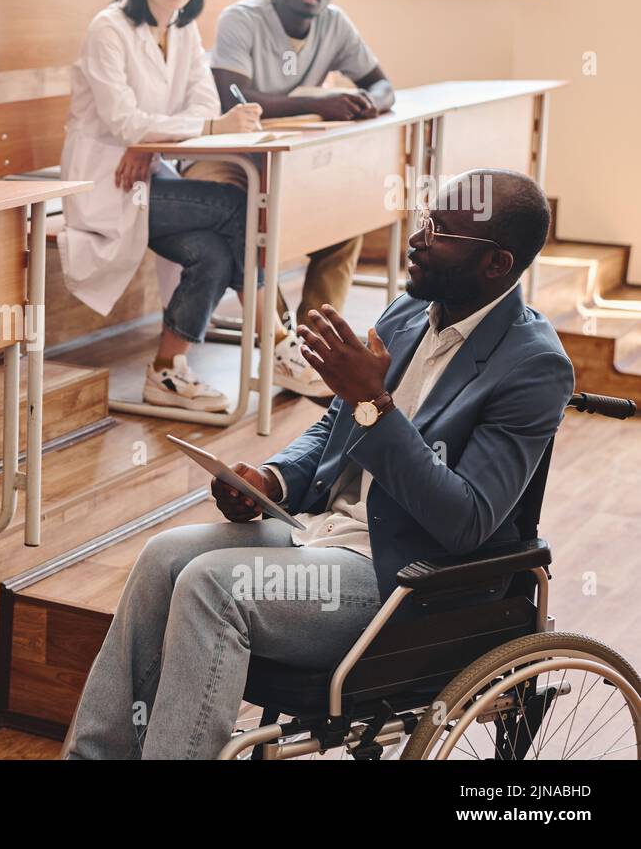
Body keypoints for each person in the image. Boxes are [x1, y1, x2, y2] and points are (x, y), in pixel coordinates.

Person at [62, 169, 574, 759]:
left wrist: (375, 407)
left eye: (441, 232)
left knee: (212, 586)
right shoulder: (408, 312)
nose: (416, 239)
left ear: (496, 264)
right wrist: (271, 479)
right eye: (424, 219)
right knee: (163, 557)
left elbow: (465, 521)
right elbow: (333, 428)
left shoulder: (534, 366)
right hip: (324, 537)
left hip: (409, 579)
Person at [58, 0, 263, 412]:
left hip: (149, 175)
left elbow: (201, 107)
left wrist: (151, 141)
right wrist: (161, 135)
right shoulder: (108, 28)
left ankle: (167, 372)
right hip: (101, 181)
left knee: (211, 252)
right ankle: (277, 337)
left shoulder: (185, 30)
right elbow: (125, 121)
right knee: (237, 206)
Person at [194, 0, 396, 399]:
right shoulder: (242, 18)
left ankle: (315, 346)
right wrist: (317, 100)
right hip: (227, 156)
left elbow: (382, 84)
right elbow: (234, 99)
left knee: (344, 223)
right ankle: (281, 340)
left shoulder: (334, 24)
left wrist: (370, 103)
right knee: (251, 224)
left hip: (289, 157)